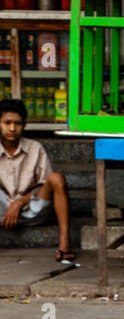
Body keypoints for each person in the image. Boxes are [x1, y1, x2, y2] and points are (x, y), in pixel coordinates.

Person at [0, 99, 74, 264]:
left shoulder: (35, 148)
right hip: (2, 211)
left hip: (33, 209)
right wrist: (10, 205)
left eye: (17, 123)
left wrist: (18, 203)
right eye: (7, 122)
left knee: (56, 178)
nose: (12, 128)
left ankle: (65, 243)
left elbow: (43, 184)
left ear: (24, 125)